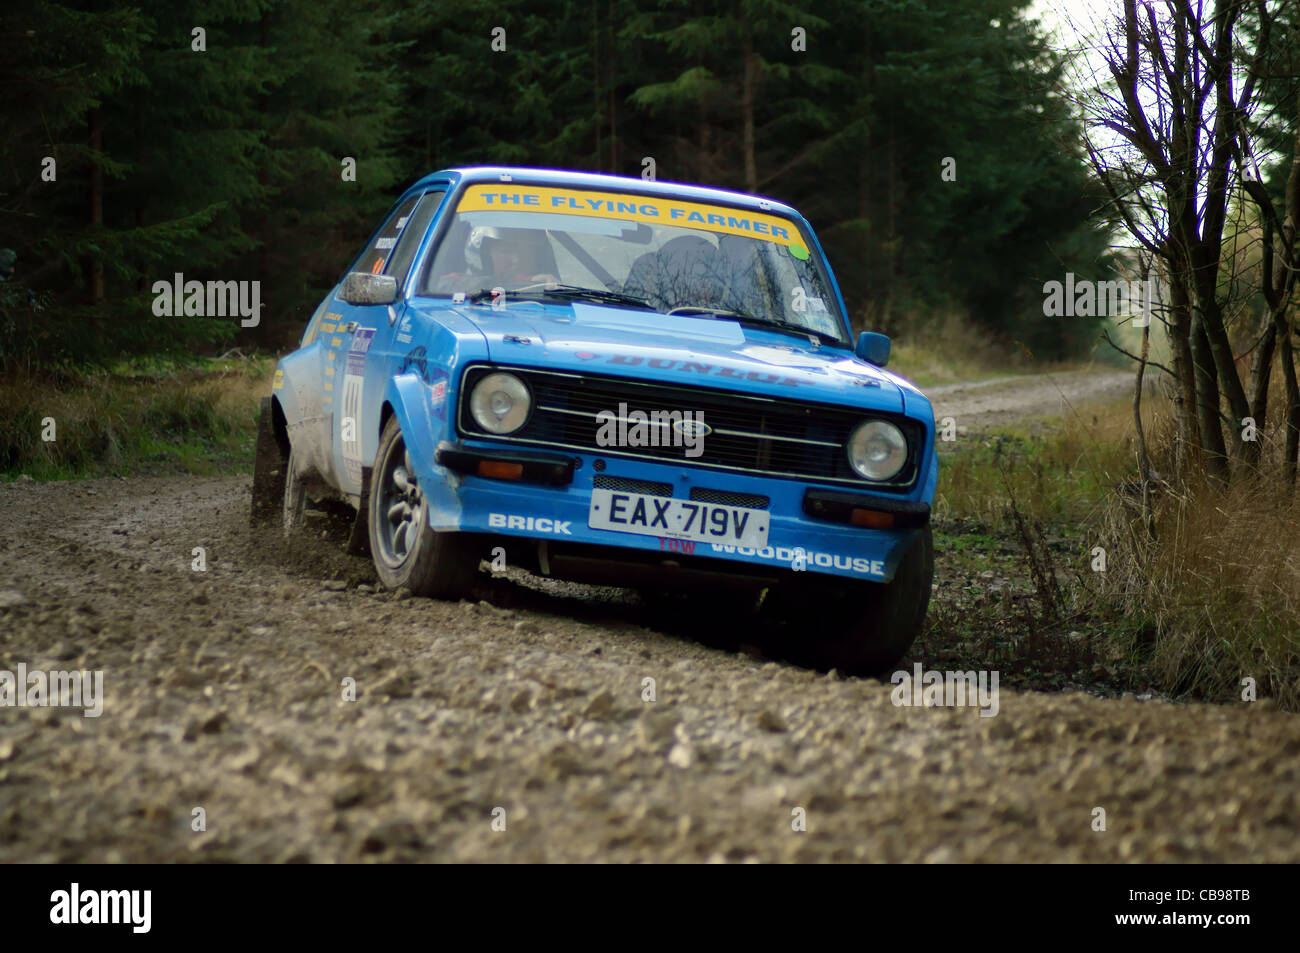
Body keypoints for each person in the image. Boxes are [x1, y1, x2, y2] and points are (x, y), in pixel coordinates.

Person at [437, 225, 557, 291]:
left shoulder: (515, 281)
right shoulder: (449, 284)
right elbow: (456, 284)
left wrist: (535, 281)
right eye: (506, 252)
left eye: (518, 253)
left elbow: (511, 280)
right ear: (481, 253)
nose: (516, 260)